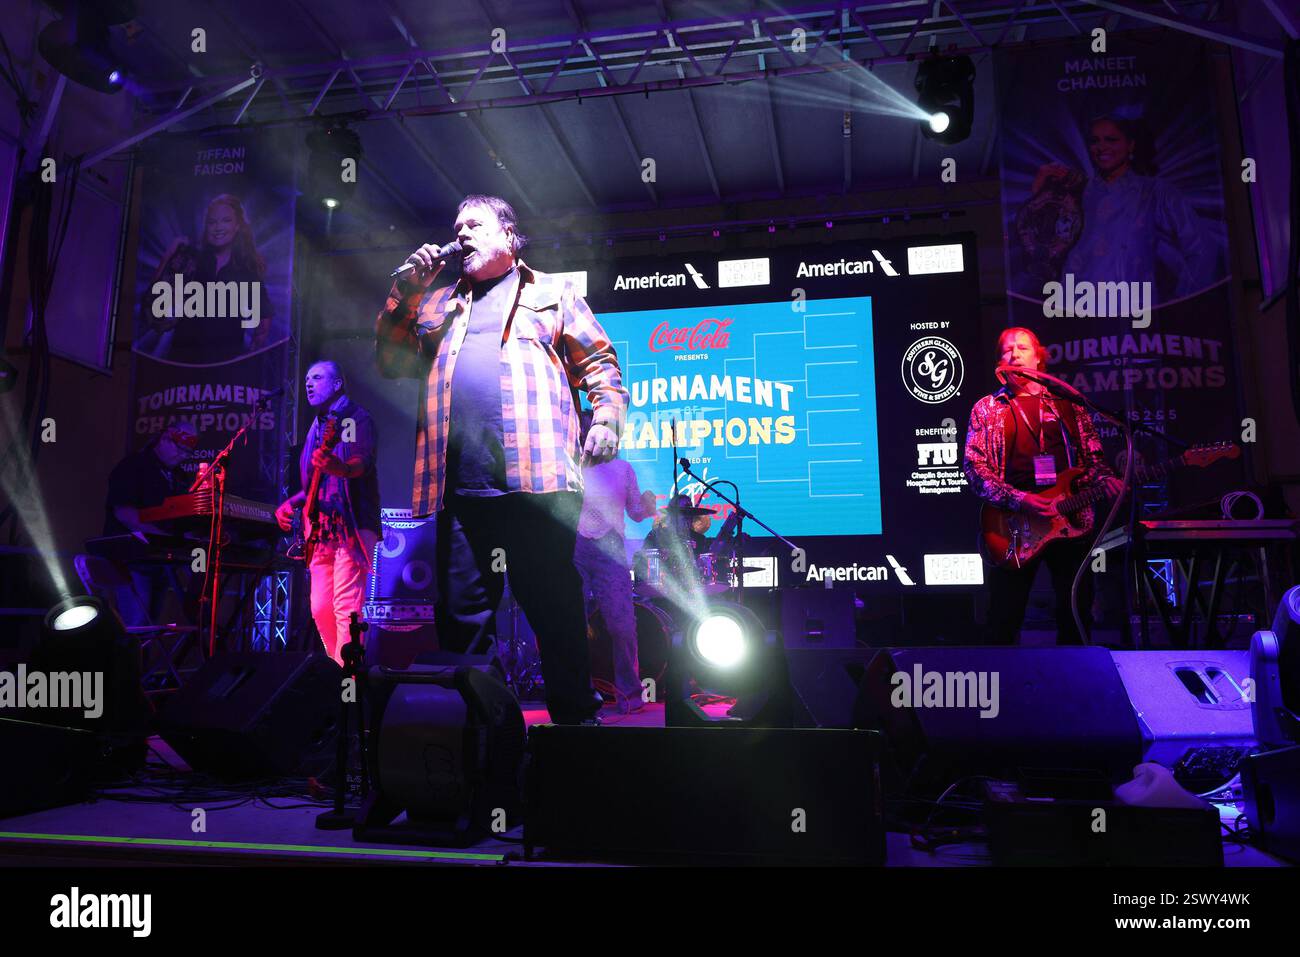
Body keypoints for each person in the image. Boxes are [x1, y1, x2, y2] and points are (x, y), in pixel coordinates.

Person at [375, 194, 628, 725]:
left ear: (509, 237)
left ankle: (576, 724)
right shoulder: (437, 302)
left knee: (552, 602)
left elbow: (599, 361)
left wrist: (606, 418)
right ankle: (481, 740)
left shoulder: (554, 292)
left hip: (536, 482)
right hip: (462, 489)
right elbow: (390, 359)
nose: (460, 233)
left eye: (474, 224)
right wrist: (405, 289)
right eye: (455, 225)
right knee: (463, 616)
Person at [962, 327, 1124, 645]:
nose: (1015, 354)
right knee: (1004, 616)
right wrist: (1020, 500)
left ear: (1038, 357)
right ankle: (1004, 685)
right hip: (1014, 523)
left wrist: (1107, 482)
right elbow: (974, 468)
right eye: (1007, 350)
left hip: (1070, 519)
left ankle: (1073, 681)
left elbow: (1094, 460)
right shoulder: (987, 408)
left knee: (1075, 610)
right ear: (1000, 362)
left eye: (1022, 347)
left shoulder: (1068, 404)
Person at [1027, 113, 1219, 301]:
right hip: (1077, 314)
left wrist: (1184, 302)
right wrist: (1039, 193)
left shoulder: (1154, 192)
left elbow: (1202, 249)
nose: (1101, 147)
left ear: (1130, 145)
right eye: (1095, 141)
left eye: (1111, 140)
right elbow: (1041, 248)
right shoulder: (1075, 191)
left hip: (1138, 316)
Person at [275, 361, 380, 665]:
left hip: (350, 524)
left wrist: (341, 468)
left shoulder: (354, 417)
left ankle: (347, 680)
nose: (308, 384)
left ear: (337, 385)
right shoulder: (317, 425)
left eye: (317, 378)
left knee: (346, 606)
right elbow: (316, 485)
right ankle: (339, 671)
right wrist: (291, 503)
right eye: (306, 379)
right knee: (320, 607)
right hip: (320, 530)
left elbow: (361, 463)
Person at [573, 409, 658, 713]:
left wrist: (648, 505)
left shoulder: (623, 469)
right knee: (572, 624)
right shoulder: (573, 466)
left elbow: (636, 512)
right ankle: (577, 694)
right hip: (576, 546)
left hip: (611, 549)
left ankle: (630, 694)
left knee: (621, 624)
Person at [142, 193, 273, 364]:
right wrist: (167, 257)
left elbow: (264, 321)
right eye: (212, 222)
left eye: (226, 220)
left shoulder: (247, 271)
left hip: (225, 368)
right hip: (181, 362)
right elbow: (152, 303)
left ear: (238, 226)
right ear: (206, 227)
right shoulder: (189, 259)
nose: (218, 227)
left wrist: (247, 357)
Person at [101, 421, 200, 625]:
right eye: (180, 449)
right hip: (131, 558)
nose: (183, 456)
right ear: (164, 439)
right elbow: (124, 513)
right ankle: (130, 656)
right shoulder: (133, 466)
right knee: (136, 622)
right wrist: (162, 538)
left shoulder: (179, 477)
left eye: (187, 453)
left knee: (150, 622)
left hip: (158, 559)